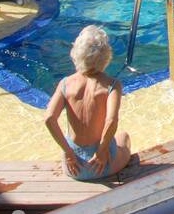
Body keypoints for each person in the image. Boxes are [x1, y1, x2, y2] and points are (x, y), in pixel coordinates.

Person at [43, 26, 132, 182]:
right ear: (106, 56)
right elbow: (111, 121)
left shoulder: (65, 84)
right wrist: (102, 151)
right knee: (123, 137)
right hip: (103, 164)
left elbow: (49, 118)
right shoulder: (112, 85)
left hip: (73, 166)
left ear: (76, 54)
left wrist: (69, 153)